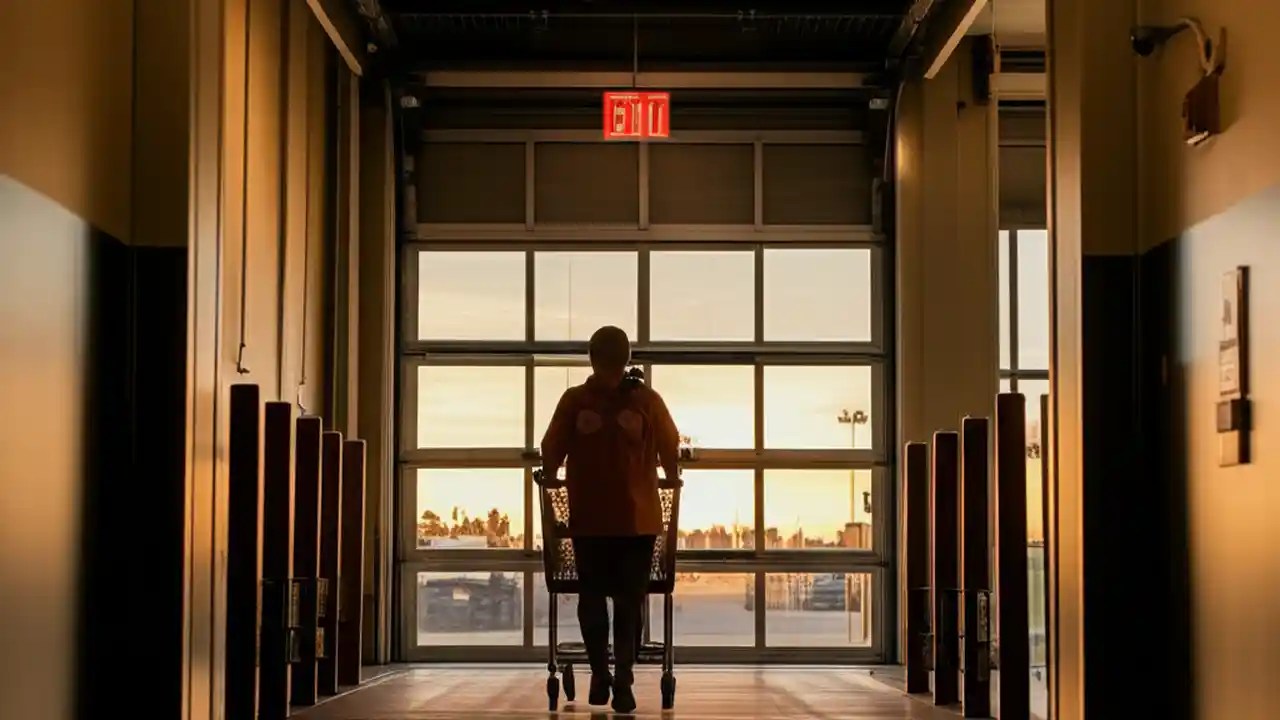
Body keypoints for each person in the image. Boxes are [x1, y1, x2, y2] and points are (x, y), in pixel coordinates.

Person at [540, 325, 681, 713]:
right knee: (629, 599)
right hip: (638, 521)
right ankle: (623, 681)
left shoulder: (574, 400)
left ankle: (600, 673)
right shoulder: (647, 400)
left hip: (589, 518)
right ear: (627, 358)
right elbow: (671, 444)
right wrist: (669, 474)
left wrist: (551, 474)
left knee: (592, 595)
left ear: (591, 357)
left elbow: (550, 448)